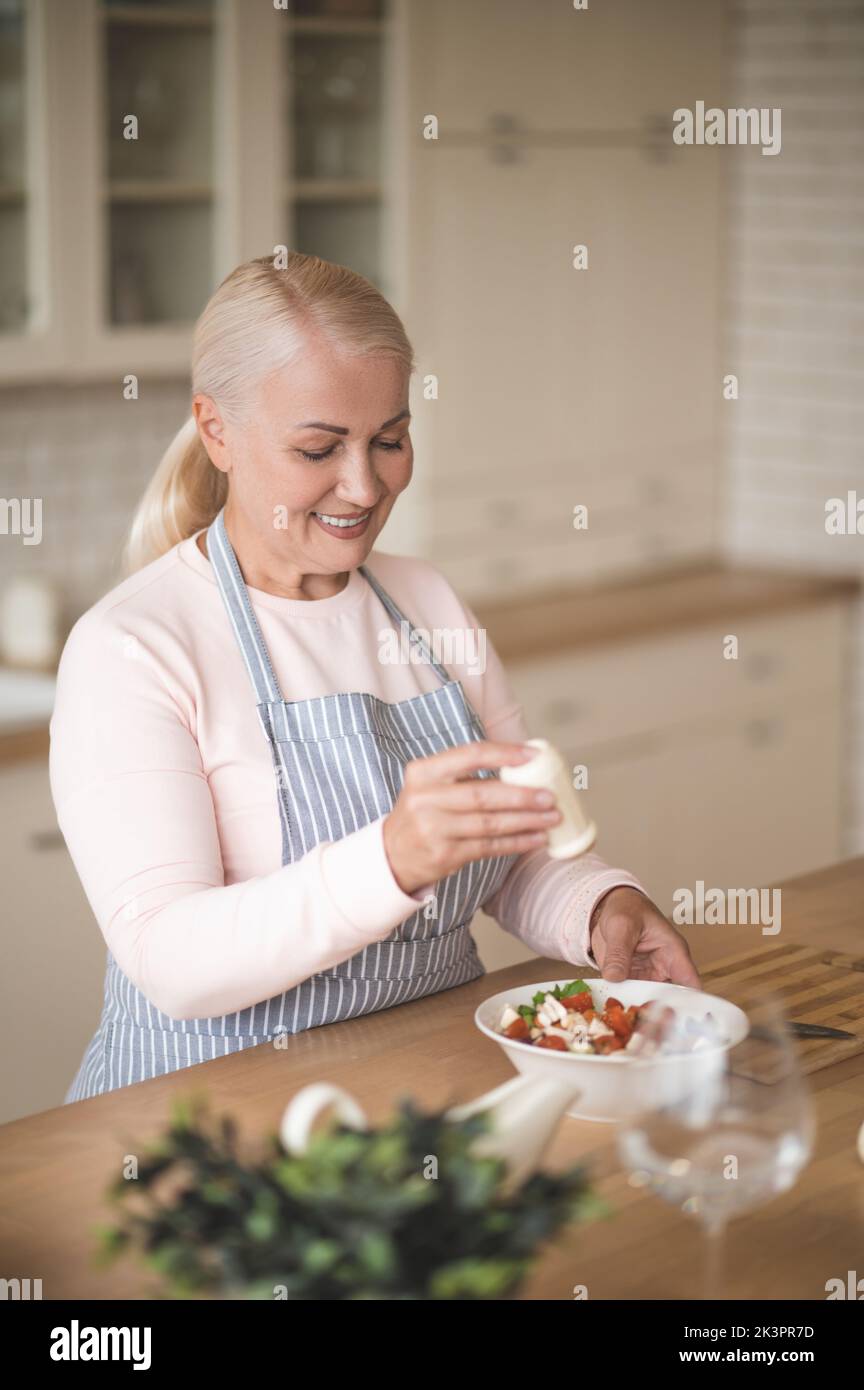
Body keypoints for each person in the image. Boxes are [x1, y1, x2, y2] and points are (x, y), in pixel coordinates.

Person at [50, 251, 699, 1101]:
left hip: (422, 1098)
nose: (363, 484)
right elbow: (173, 963)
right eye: (319, 447)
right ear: (217, 431)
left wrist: (601, 906)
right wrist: (393, 858)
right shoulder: (133, 647)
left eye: (389, 439)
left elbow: (511, 851)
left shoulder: (424, 602)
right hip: (201, 1131)